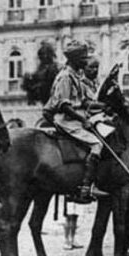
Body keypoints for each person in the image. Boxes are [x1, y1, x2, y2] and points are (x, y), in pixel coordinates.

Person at [42, 41, 108, 202]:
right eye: (83, 58)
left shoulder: (75, 76)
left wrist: (106, 106)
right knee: (97, 144)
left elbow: (84, 102)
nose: (86, 61)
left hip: (75, 117)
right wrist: (83, 120)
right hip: (66, 120)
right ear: (74, 59)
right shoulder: (65, 77)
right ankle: (85, 188)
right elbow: (64, 105)